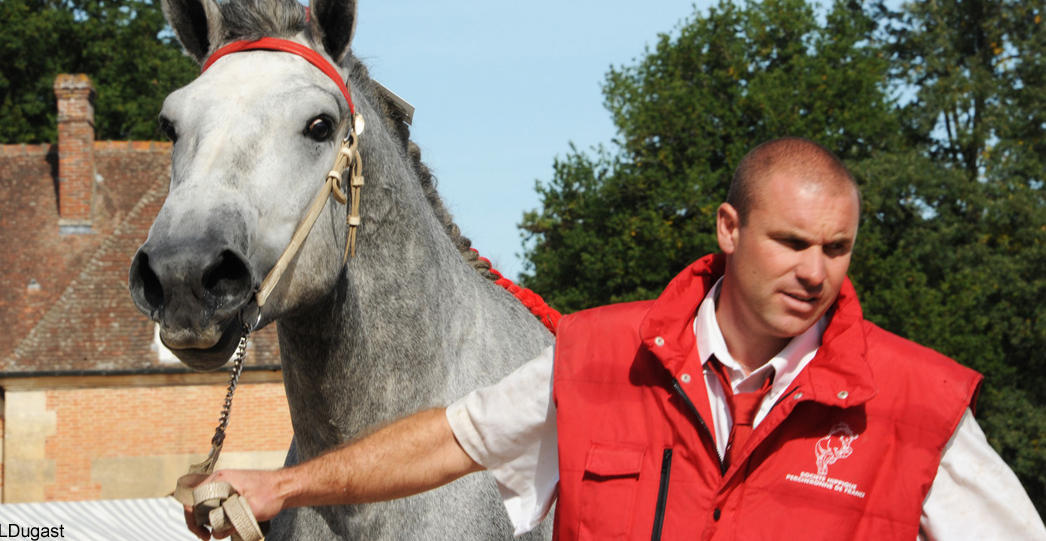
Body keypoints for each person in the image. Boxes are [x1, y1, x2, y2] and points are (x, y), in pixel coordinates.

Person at [186, 138, 1046, 540]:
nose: (815, 272)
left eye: (836, 248)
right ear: (730, 228)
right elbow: (453, 440)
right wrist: (282, 485)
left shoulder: (916, 403)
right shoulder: (599, 357)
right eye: (791, 242)